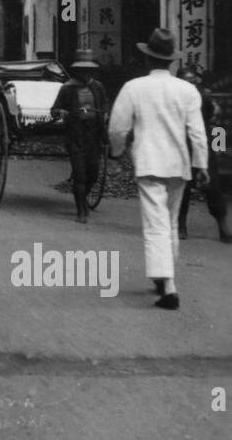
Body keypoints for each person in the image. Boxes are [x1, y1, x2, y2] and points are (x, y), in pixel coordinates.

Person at [108, 28, 209, 310]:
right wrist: (201, 164)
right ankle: (162, 277)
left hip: (149, 163)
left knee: (156, 225)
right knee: (171, 223)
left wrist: (116, 153)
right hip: (179, 165)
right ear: (172, 60)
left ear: (147, 59)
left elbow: (118, 127)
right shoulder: (188, 90)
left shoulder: (134, 88)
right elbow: (198, 133)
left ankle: (169, 287)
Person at [50, 49, 108, 223]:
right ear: (77, 70)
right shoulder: (67, 88)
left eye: (88, 70)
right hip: (76, 134)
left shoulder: (97, 87)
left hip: (94, 135)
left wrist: (104, 115)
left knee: (93, 173)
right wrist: (62, 112)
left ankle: (83, 198)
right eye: (82, 70)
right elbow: (54, 110)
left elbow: (105, 105)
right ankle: (80, 210)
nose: (85, 74)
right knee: (80, 173)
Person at [178, 67, 232, 242]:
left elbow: (216, 125)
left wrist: (219, 147)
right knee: (183, 186)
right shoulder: (175, 97)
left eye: (194, 81)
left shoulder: (205, 97)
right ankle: (181, 225)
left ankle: (223, 227)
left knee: (213, 187)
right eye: (187, 81)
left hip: (203, 144)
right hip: (181, 145)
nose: (191, 85)